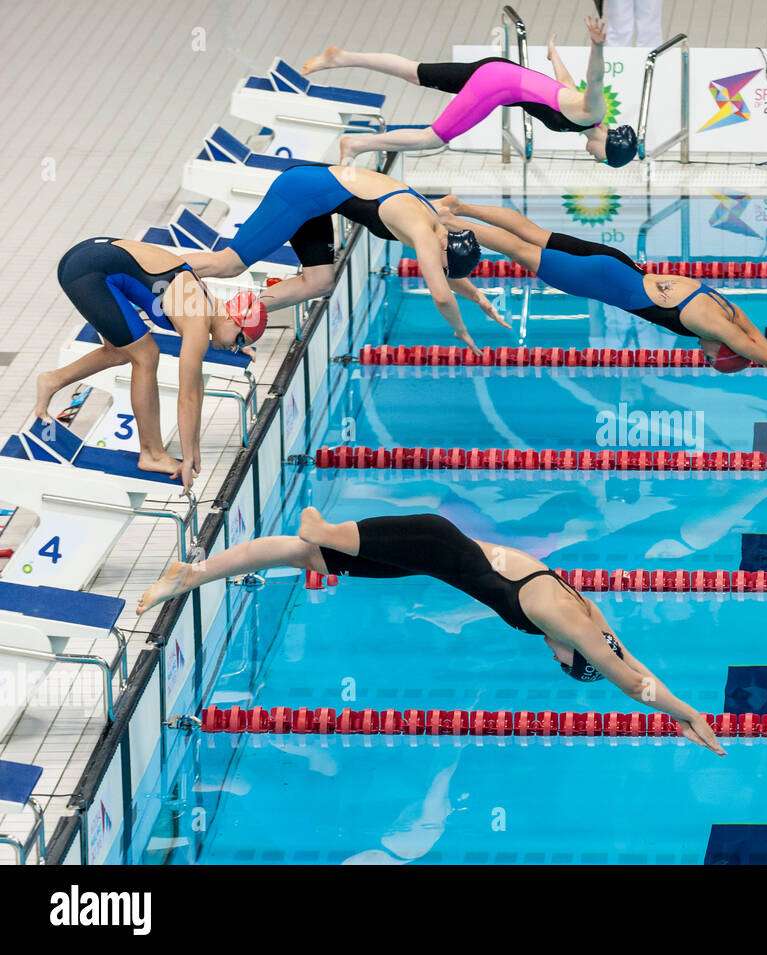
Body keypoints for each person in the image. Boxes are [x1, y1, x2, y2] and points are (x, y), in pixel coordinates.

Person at [138, 507, 726, 756]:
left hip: (429, 554)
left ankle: (190, 574)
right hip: (433, 540)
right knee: (314, 538)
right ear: (572, 654)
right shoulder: (561, 618)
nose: (553, 660)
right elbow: (629, 681)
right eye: (562, 663)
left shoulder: (586, 623)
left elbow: (628, 661)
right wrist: (682, 712)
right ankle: (327, 527)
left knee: (303, 559)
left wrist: (676, 709)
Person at [434, 197, 767, 411]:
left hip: (623, 264)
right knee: (516, 248)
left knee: (532, 232)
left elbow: (758, 340)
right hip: (601, 279)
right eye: (712, 360)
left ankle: (459, 205)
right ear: (723, 350)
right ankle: (450, 224)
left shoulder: (727, 312)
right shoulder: (712, 326)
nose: (703, 358)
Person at [179, 162, 505, 354]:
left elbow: (447, 277)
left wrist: (477, 297)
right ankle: (154, 273)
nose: (434, 267)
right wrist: (460, 329)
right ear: (443, 251)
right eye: (441, 265)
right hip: (300, 191)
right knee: (229, 264)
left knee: (319, 281)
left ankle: (242, 312)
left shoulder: (435, 228)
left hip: (318, 201)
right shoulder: (422, 230)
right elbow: (441, 294)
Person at [34, 237, 266, 491]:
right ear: (233, 320)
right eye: (238, 340)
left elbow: (196, 387)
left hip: (90, 255)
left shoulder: (210, 303)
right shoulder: (198, 321)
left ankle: (53, 380)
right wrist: (187, 458)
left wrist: (193, 448)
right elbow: (187, 396)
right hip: (87, 270)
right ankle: (151, 454)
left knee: (121, 351)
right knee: (145, 355)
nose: (234, 348)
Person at [302, 16, 637, 167]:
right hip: (495, 84)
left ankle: (341, 57)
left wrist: (554, 56)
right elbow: (594, 79)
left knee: (415, 73)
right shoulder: (593, 114)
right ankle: (357, 144)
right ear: (606, 145)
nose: (597, 159)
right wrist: (598, 46)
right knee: (433, 138)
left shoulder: (585, 119)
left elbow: (565, 85)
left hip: (499, 69)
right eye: (604, 159)